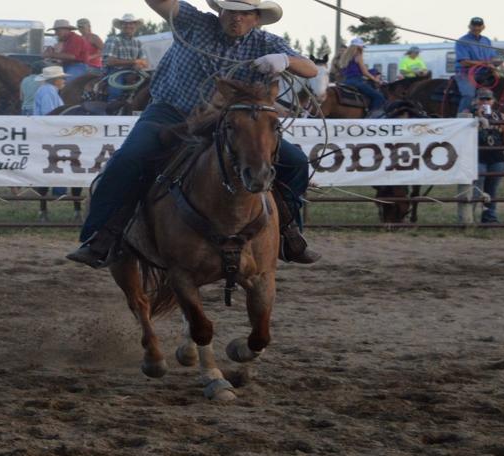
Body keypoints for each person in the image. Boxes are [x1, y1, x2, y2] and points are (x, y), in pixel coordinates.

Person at [66, 0, 323, 269]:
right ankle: (100, 237)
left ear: (257, 18)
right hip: (171, 112)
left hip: (230, 122)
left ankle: (289, 234)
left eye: (245, 13)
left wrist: (285, 60)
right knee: (128, 159)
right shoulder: (195, 23)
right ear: (219, 12)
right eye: (231, 11)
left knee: (295, 163)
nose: (237, 19)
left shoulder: (267, 43)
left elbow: (310, 69)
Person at [470, 88, 504, 224]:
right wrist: (477, 116)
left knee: (492, 190)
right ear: (476, 101)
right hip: (476, 156)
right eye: (482, 99)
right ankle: (468, 217)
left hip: (497, 157)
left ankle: (489, 217)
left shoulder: (501, 116)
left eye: (488, 99)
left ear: (493, 101)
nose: (485, 102)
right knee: (476, 189)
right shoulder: (467, 115)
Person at [453, 16, 499, 113]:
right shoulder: (462, 41)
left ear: (483, 27)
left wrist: (494, 68)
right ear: (469, 26)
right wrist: (486, 63)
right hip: (465, 73)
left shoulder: (486, 40)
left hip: (486, 73)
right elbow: (464, 62)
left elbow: (493, 58)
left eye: (479, 26)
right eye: (474, 25)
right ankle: (462, 118)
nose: (476, 28)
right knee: (468, 94)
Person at [101, 14, 149, 101]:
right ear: (121, 26)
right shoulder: (113, 40)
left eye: (131, 24)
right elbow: (109, 61)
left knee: (150, 86)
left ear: (135, 26)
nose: (128, 26)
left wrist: (139, 65)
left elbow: (144, 61)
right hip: (116, 71)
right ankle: (112, 109)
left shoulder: (138, 42)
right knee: (116, 92)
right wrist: (134, 62)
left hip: (134, 71)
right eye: (125, 23)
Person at [335, 38, 385, 116]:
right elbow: (364, 72)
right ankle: (370, 117)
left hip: (345, 81)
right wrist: (375, 80)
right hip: (356, 81)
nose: (363, 49)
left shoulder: (344, 56)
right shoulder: (358, 55)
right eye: (362, 47)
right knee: (379, 97)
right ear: (358, 47)